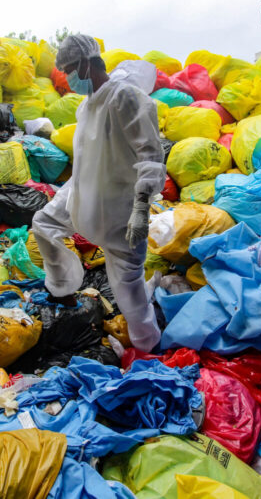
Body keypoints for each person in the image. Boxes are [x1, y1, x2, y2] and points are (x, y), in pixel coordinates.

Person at [31, 35, 165, 352]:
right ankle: (64, 288)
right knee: (44, 223)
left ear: (88, 63)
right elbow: (88, 161)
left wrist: (141, 210)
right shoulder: (86, 107)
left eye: (69, 69)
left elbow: (150, 159)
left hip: (120, 209)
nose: (67, 78)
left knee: (128, 292)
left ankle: (149, 346)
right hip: (84, 193)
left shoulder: (126, 98)